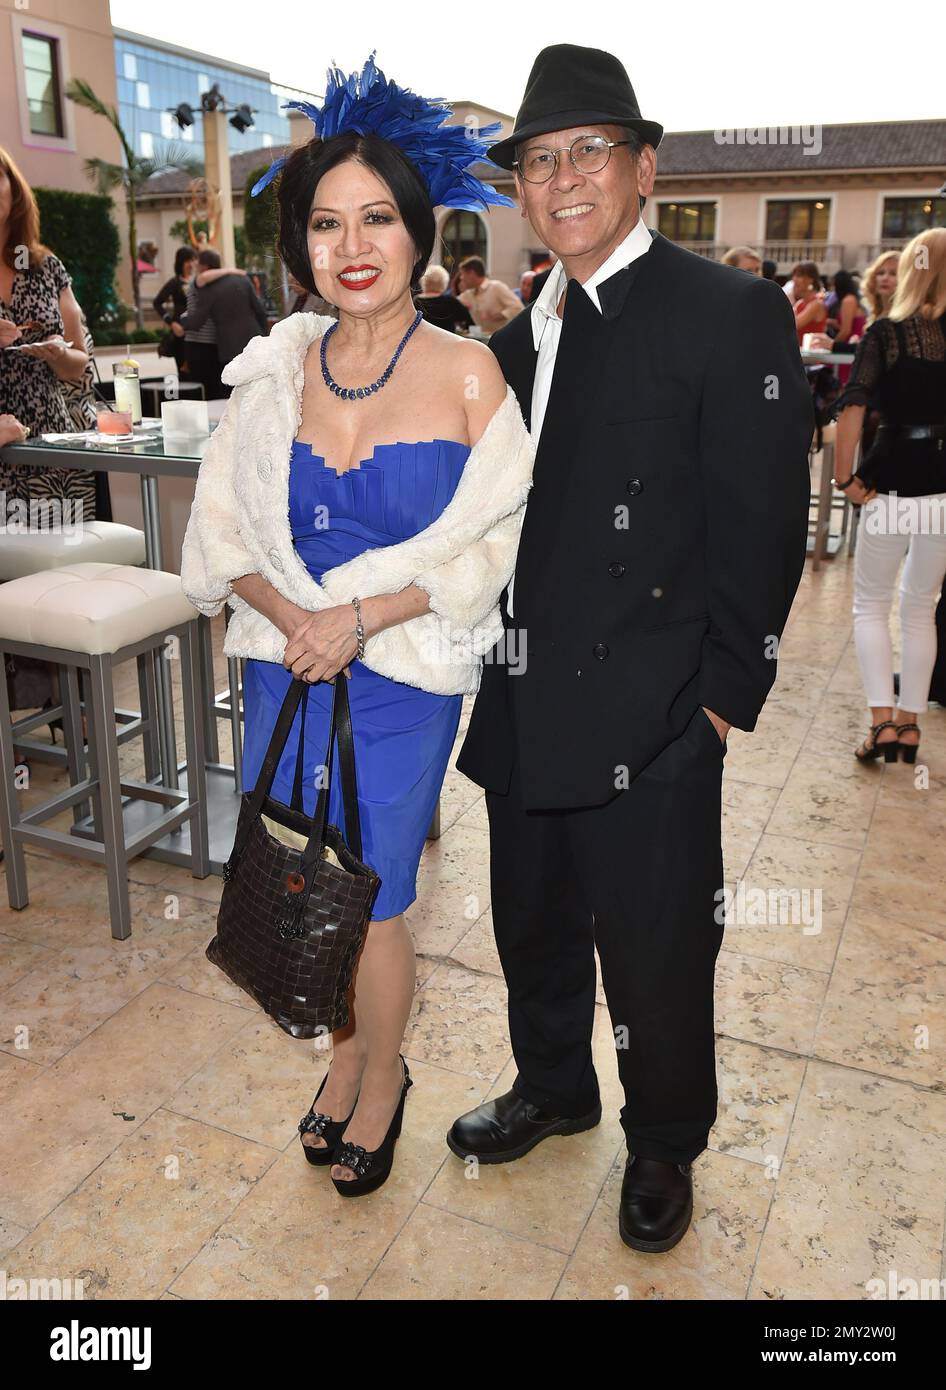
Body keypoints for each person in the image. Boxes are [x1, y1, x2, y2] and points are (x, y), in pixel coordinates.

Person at [450, 43, 813, 1254]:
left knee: (658, 944)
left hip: (656, 710)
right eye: (537, 161)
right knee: (530, 918)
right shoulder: (509, 345)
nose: (560, 179)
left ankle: (664, 1137)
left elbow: (766, 525)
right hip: (523, 693)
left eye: (587, 152)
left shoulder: (727, 311)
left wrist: (717, 700)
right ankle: (554, 1085)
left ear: (643, 168)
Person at [180, 55, 532, 1197]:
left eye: (376, 215)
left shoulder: (473, 373)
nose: (353, 242)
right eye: (327, 223)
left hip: (402, 673)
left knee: (375, 891)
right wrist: (296, 617)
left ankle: (382, 1075)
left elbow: (496, 542)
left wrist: (361, 615)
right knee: (302, 874)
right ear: (302, 248)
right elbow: (226, 533)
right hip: (288, 661)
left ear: (418, 235)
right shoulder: (273, 369)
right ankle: (341, 1057)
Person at [831, 228, 946, 763]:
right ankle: (909, 725)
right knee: (921, 608)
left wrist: (842, 477)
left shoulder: (886, 333)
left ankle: (881, 722)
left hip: (890, 482)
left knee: (872, 604)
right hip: (943, 489)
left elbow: (854, 404)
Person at [0, 145, 94, 716]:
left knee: (57, 581)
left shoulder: (44, 264)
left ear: (15, 190)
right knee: (11, 584)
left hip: (51, 448)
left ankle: (68, 710)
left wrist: (58, 354)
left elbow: (83, 361)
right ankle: (17, 727)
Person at [179, 250, 268, 397]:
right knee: (257, 391)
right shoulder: (242, 279)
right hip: (254, 340)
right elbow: (260, 310)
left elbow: (197, 322)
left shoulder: (209, 288)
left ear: (204, 267)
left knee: (233, 395)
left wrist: (183, 320)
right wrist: (264, 337)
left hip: (229, 347)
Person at [153, 246, 198, 381]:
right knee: (185, 374)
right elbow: (157, 303)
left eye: (193, 260)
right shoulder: (174, 283)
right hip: (181, 335)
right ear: (180, 263)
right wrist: (171, 323)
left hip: (197, 334)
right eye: (187, 261)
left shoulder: (198, 281)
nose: (191, 264)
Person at [457, 255, 523, 333]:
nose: (461, 278)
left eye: (463, 274)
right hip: (480, 341)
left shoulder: (497, 287)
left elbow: (518, 307)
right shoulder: (468, 293)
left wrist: (494, 317)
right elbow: (453, 307)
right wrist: (461, 290)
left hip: (499, 340)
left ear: (472, 273)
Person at [414, 263, 472, 332]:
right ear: (444, 282)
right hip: (447, 341)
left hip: (421, 340)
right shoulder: (450, 301)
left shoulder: (416, 301)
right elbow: (469, 321)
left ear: (424, 281)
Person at [791, 260, 828, 343]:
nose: (794, 279)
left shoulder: (816, 304)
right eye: (794, 275)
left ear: (810, 279)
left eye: (799, 276)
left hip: (813, 354)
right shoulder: (800, 303)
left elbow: (794, 325)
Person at [862, 249, 899, 325]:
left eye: (893, 274)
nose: (885, 278)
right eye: (881, 273)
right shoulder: (876, 314)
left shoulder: (905, 318)